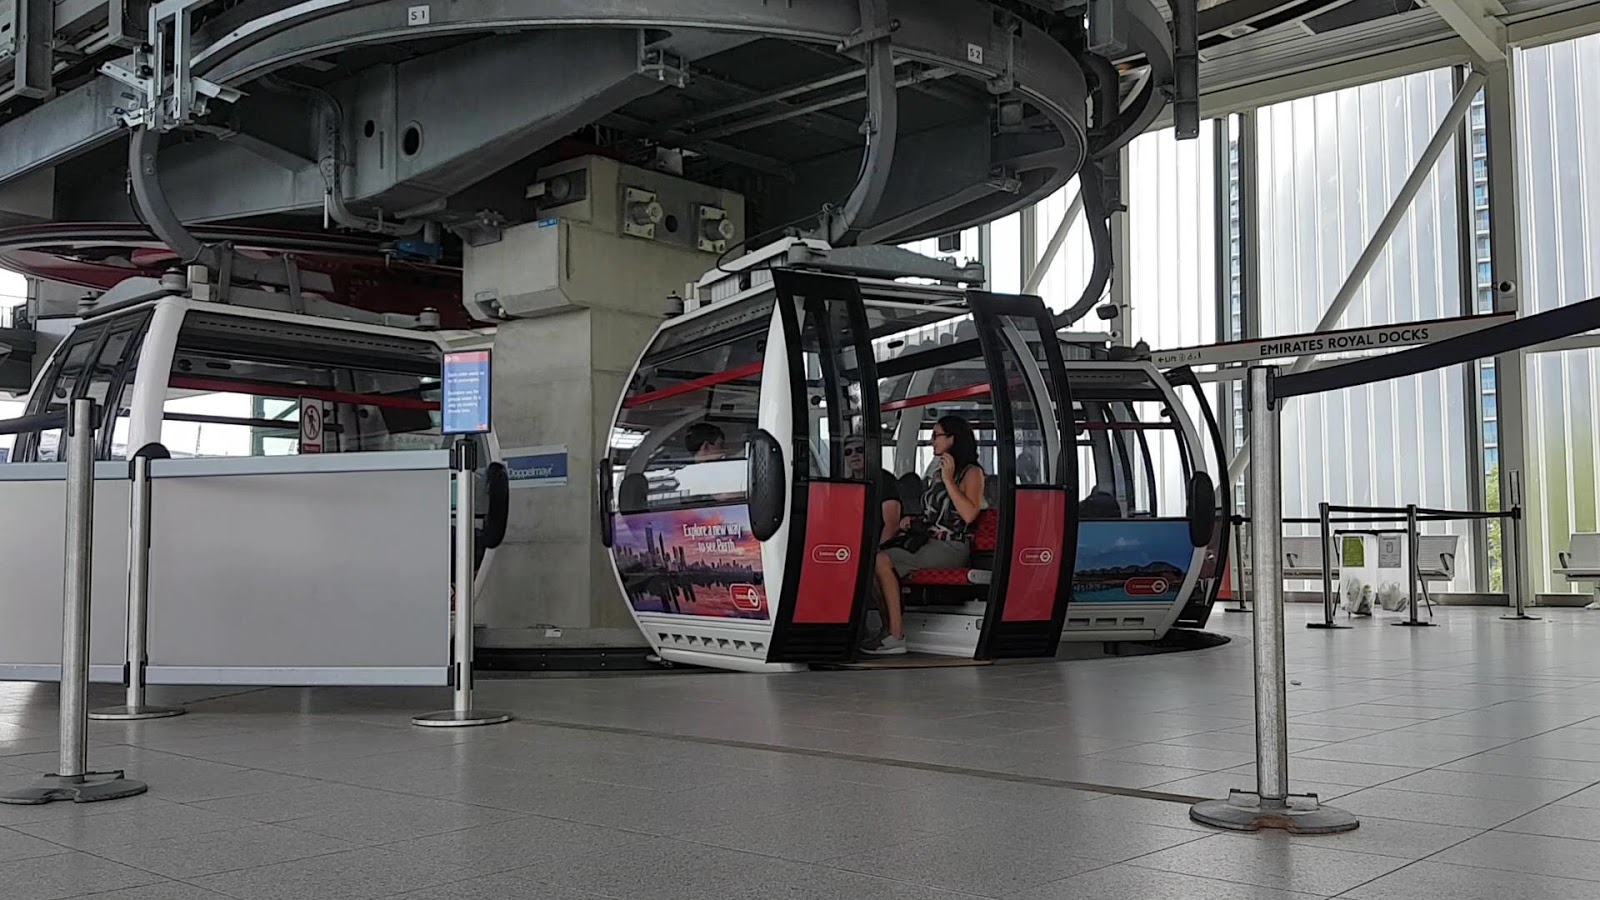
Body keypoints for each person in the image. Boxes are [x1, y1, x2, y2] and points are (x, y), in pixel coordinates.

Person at [865, 415, 986, 656]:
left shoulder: (971, 473)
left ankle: (896, 635)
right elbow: (936, 514)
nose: (932, 442)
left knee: (880, 561)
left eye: (936, 436)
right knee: (870, 564)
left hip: (951, 547)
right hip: (928, 542)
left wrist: (950, 481)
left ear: (952, 439)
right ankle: (887, 629)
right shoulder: (937, 473)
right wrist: (915, 521)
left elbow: (969, 514)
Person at [844, 435, 902, 648]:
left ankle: (889, 630)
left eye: (859, 449)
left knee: (874, 567)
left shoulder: (883, 480)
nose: (854, 455)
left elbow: (892, 522)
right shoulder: (847, 485)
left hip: (879, 547)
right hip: (852, 547)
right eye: (848, 452)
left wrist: (877, 549)